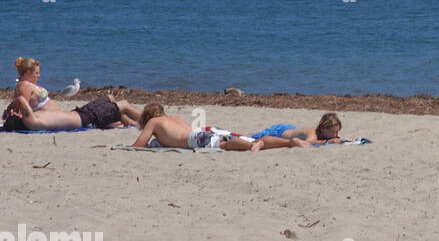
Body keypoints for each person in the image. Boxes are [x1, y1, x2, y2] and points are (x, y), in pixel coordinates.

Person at [130, 103, 290, 150]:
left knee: (225, 144)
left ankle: (253, 145)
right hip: (203, 130)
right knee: (239, 136)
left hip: (195, 139)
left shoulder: (154, 122)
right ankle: (288, 142)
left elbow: (139, 145)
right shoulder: (174, 118)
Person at [3, 92, 141, 132]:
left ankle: (132, 122)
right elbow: (21, 99)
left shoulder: (32, 118)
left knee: (110, 98)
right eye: (14, 115)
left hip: (81, 112)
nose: (16, 113)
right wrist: (10, 109)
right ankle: (152, 120)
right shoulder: (31, 121)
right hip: (87, 118)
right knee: (124, 105)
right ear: (17, 120)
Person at [248, 113, 346, 144]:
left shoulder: (326, 134)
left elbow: (335, 138)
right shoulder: (313, 133)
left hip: (291, 129)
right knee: (253, 137)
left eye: (337, 132)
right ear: (323, 129)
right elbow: (310, 142)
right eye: (332, 132)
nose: (335, 135)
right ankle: (238, 135)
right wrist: (326, 142)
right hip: (278, 132)